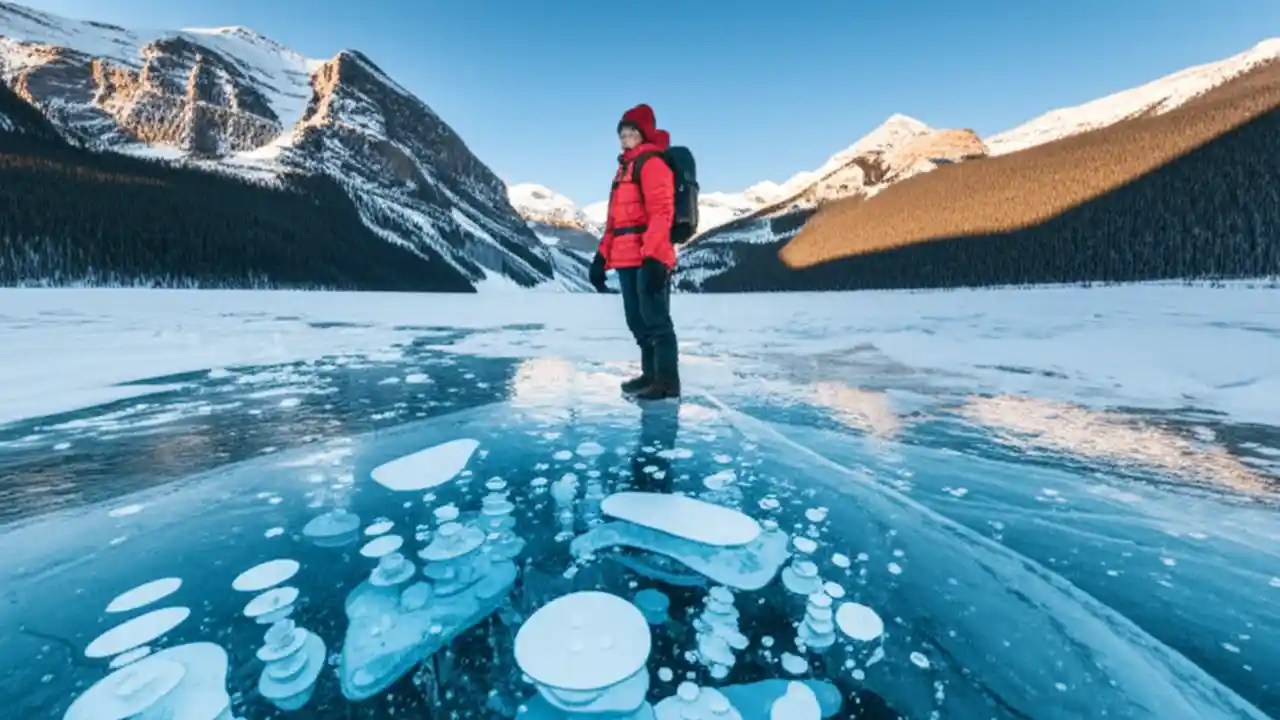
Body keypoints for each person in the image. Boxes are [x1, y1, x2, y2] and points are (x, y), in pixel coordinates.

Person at [590, 104, 680, 400]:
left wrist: (655, 256)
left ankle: (667, 381)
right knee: (636, 319)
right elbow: (614, 222)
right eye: (622, 133)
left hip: (648, 255)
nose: (625, 137)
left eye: (631, 132)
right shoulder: (622, 171)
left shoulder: (652, 163)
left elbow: (661, 212)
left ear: (644, 134)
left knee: (656, 319)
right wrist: (602, 257)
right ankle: (650, 376)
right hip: (625, 257)